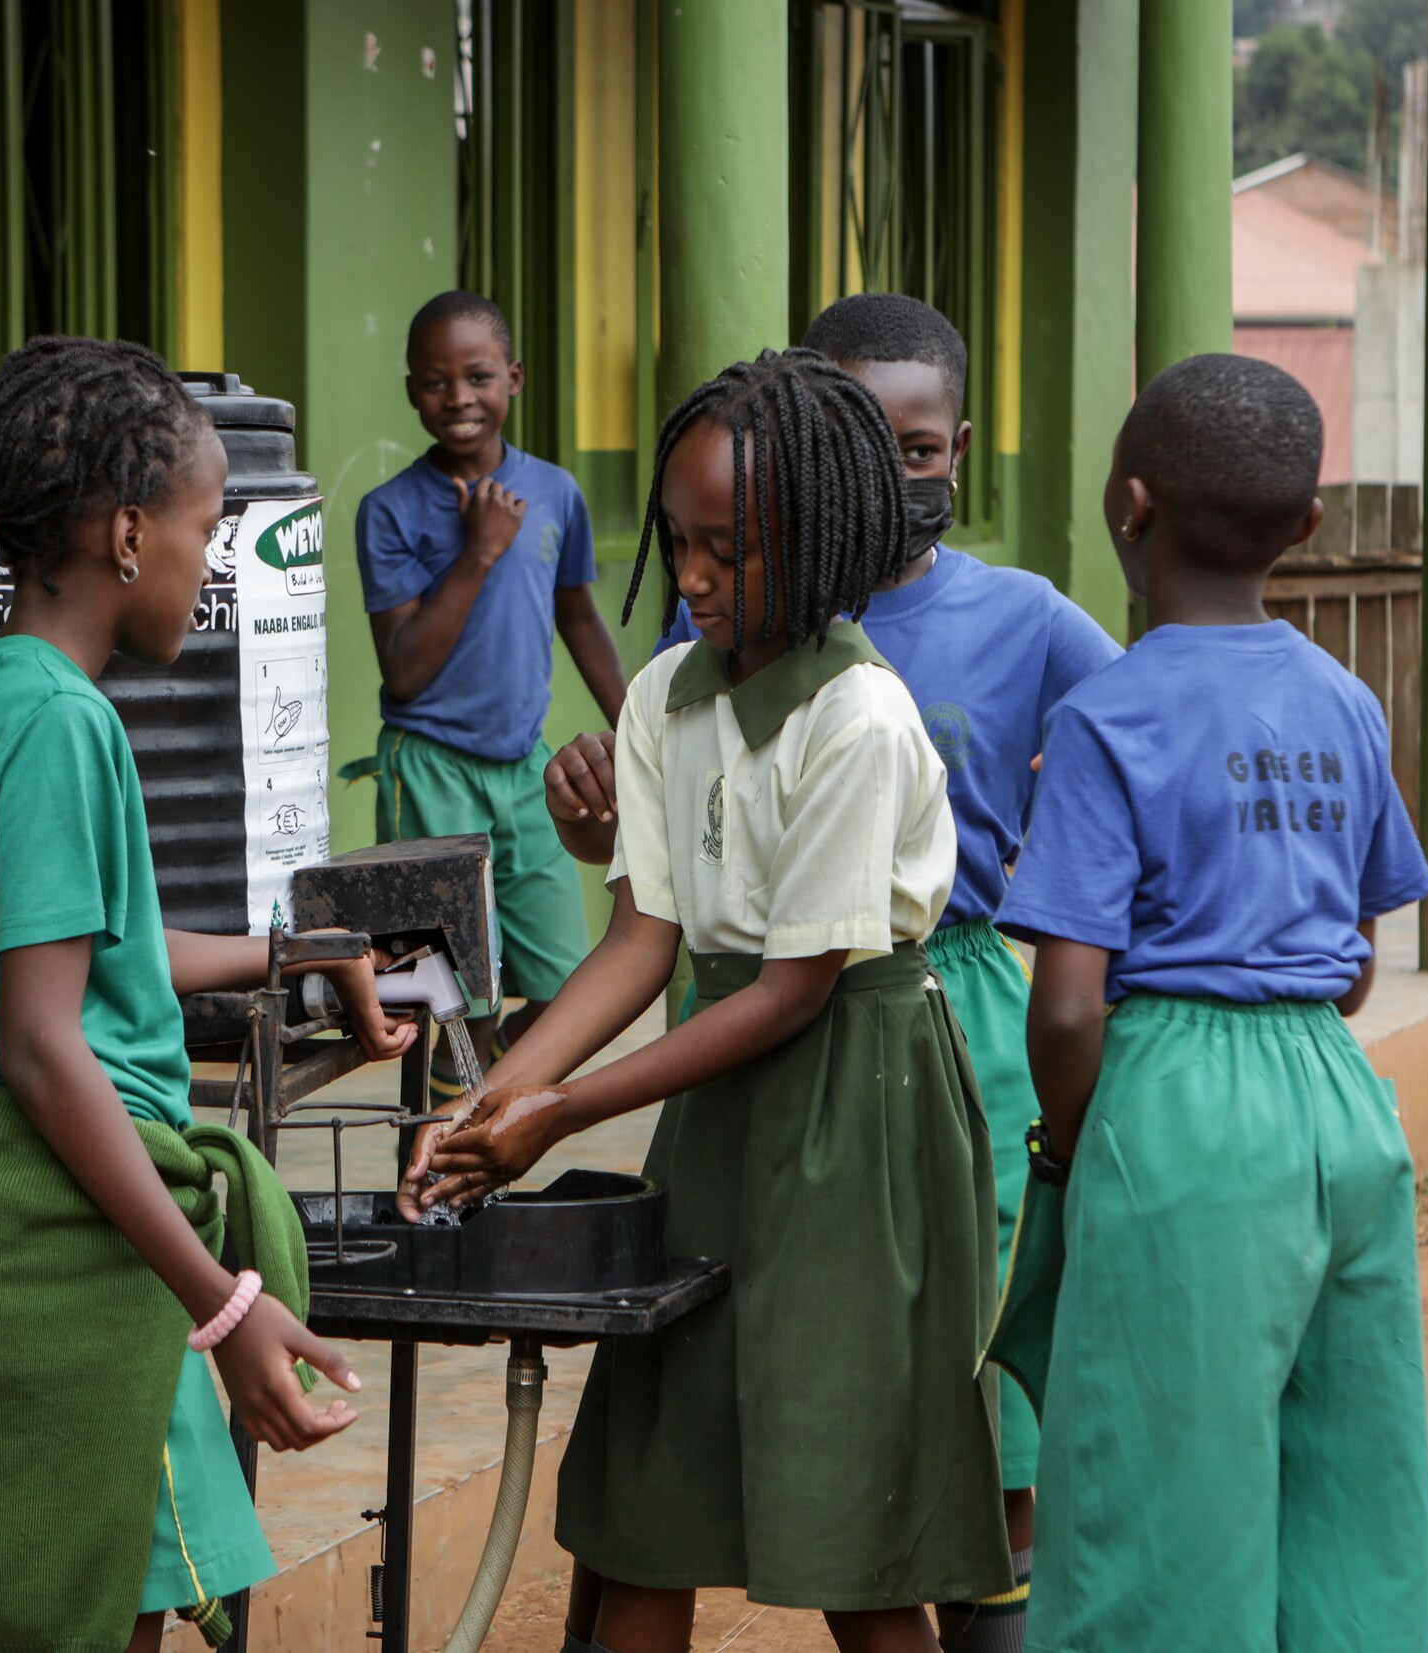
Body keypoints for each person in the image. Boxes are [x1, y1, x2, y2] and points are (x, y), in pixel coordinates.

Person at [408, 349, 1012, 1653]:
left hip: (860, 1108)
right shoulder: (669, 698)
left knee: (857, 1511)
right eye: (676, 544)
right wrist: (493, 1096)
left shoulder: (859, 717)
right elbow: (642, 939)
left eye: (725, 551)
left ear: (820, 536)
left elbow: (795, 993)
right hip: (719, 1107)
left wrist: (562, 1112)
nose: (687, 579)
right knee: (654, 1499)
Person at [546, 294, 1119, 1650]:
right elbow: (660, 912)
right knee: (686, 1424)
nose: (691, 572)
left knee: (935, 1418)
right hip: (732, 1034)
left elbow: (1132, 750)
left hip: (936, 1012)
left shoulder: (999, 631)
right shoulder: (692, 671)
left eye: (921, 447)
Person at [0, 337, 416, 1653]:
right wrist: (221, 1303)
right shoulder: (66, 726)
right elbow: (45, 1044)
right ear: (128, 534)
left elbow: (94, 952)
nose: (211, 559)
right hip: (71, 1239)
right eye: (204, 527)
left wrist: (290, 952)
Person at [993, 354, 1428, 1652]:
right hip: (1344, 1115)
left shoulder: (1107, 714)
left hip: (1174, 1112)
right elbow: (1355, 961)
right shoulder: (1346, 703)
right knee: (1352, 1500)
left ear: (1130, 508)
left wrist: (1076, 1151)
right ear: (1305, 529)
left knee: (1158, 1522)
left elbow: (1070, 1006)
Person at [346, 290, 628, 1097]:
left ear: (515, 378)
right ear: (412, 393)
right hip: (429, 769)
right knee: (451, 989)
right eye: (436, 381)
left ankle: (484, 1064)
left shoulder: (557, 493)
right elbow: (404, 669)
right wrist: (478, 552)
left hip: (525, 770)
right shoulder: (389, 511)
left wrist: (640, 725)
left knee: (570, 980)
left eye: (477, 376)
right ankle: (440, 1146)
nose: (459, 398)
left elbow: (578, 618)